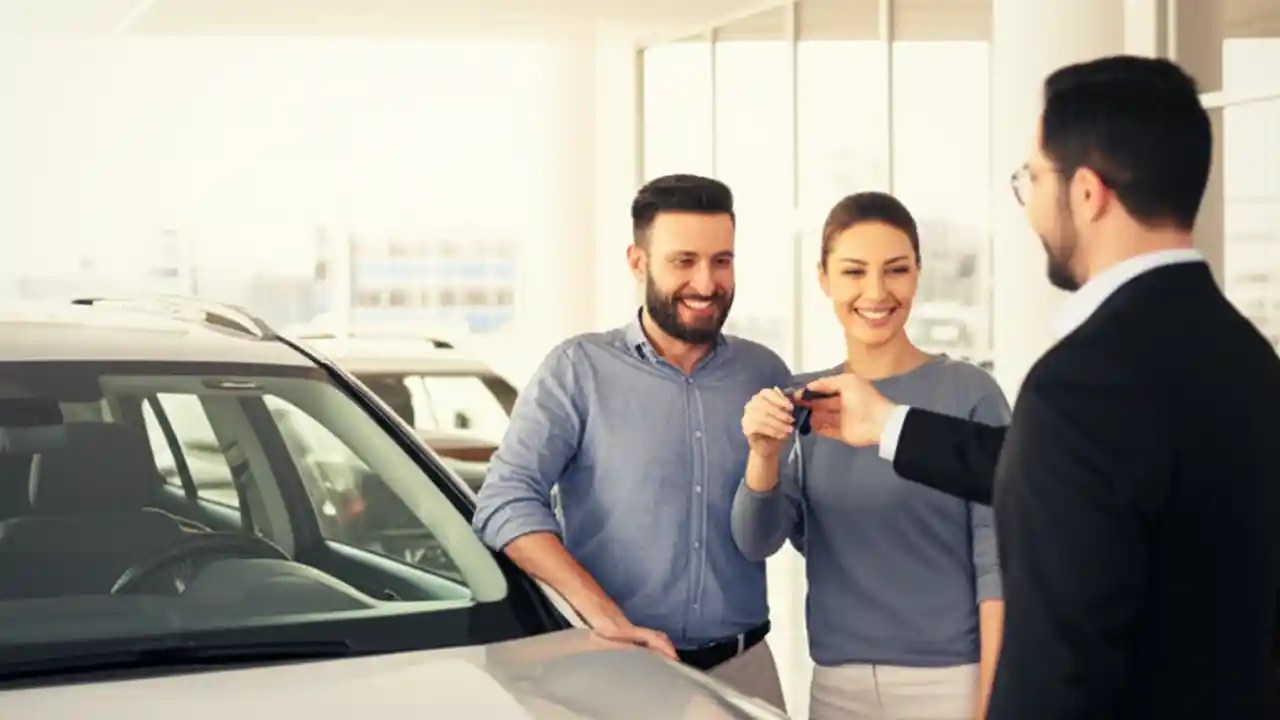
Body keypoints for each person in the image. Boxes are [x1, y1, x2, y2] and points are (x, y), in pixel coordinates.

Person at [799, 56, 1280, 719]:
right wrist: (891, 425)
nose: (1030, 205)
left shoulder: (1081, 382)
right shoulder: (1248, 359)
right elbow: (1085, 475)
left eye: (1033, 179)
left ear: (1087, 193)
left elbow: (1057, 654)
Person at [472, 173, 791, 709]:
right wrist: (601, 614)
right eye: (683, 261)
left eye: (722, 260)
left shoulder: (765, 373)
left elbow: (770, 533)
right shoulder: (578, 370)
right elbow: (505, 500)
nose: (707, 283)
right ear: (638, 262)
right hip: (614, 668)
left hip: (746, 671)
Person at [731, 192, 1008, 720]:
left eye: (896, 270)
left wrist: (992, 705)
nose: (876, 292)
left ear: (918, 274)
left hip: (949, 684)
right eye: (854, 272)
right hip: (838, 684)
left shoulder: (971, 393)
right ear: (824, 278)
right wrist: (763, 456)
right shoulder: (808, 398)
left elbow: (997, 568)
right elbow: (756, 539)